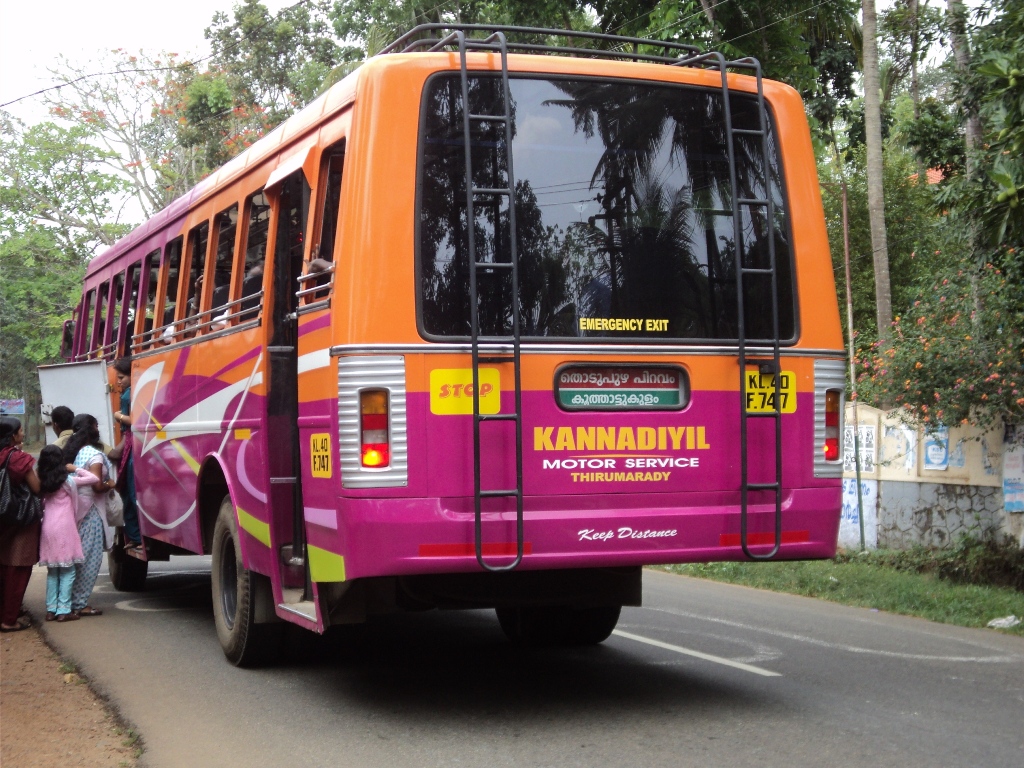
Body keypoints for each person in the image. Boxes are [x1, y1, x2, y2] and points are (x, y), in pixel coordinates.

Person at [37, 446, 98, 622]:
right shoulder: (67, 481)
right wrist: (75, 469)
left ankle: (51, 609)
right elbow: (93, 478)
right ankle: (64, 610)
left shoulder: (43, 482)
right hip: (65, 526)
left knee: (53, 571)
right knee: (68, 570)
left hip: (48, 526)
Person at [62, 414, 115, 618]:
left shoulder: (71, 452)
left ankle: (65, 601)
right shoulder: (94, 454)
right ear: (93, 429)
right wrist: (111, 484)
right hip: (91, 510)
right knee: (89, 558)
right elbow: (97, 485)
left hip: (72, 508)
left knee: (74, 558)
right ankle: (80, 602)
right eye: (96, 425)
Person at [0, 417, 41, 632]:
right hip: (19, 517)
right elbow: (36, 488)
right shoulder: (18, 459)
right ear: (13, 435)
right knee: (18, 567)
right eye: (21, 430)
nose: (23, 433)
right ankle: (9, 619)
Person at [110, 358, 140, 549]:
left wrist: (118, 416)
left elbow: (136, 420)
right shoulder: (130, 392)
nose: (118, 381)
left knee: (130, 490)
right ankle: (134, 535)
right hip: (130, 442)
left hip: (131, 442)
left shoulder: (130, 395)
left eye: (121, 377)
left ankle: (136, 535)